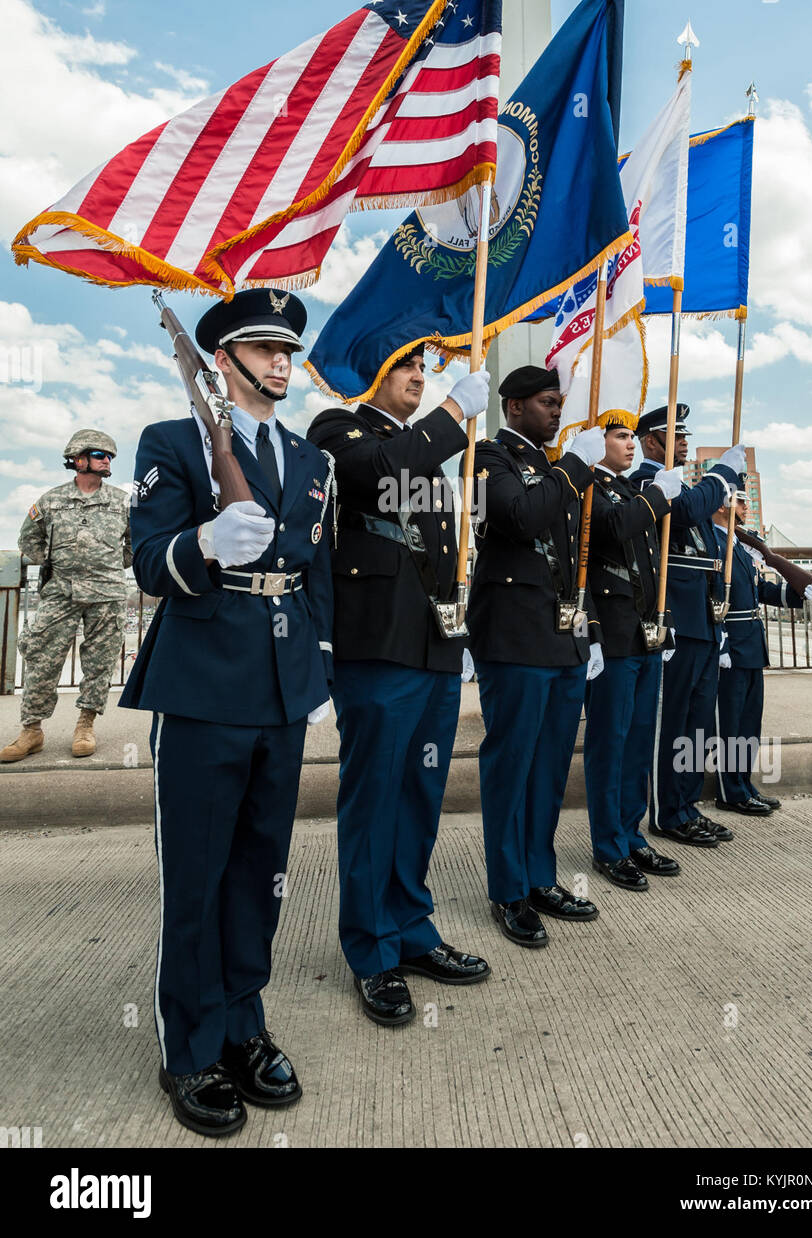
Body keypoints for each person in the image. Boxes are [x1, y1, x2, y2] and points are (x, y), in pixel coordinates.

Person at [119, 287, 334, 1138]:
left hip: (282, 689)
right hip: (205, 683)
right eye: (261, 347)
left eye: (287, 348)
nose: (281, 361)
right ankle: (191, 1048)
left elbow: (315, 571)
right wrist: (201, 545)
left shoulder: (310, 461)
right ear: (224, 359)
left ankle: (244, 1023)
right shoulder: (174, 442)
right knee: (199, 875)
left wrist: (319, 675)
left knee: (260, 871)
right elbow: (145, 559)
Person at [307, 351, 491, 1027]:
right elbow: (380, 474)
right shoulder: (340, 429)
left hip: (434, 646)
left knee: (419, 795)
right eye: (406, 367)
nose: (420, 377)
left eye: (424, 369)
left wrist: (456, 633)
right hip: (377, 647)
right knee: (375, 800)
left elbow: (437, 546)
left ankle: (410, 928)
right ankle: (371, 949)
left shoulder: (424, 453)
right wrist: (452, 413)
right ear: (371, 375)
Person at [466, 365, 605, 947]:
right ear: (514, 406)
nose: (557, 411)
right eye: (547, 402)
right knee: (512, 766)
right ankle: (507, 888)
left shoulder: (554, 471)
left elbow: (578, 556)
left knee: (549, 769)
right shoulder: (487, 458)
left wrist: (591, 631)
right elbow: (520, 518)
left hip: (563, 638)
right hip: (516, 637)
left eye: (559, 402)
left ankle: (539, 876)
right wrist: (575, 466)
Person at [630, 406, 744, 847]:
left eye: (684, 435)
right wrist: (719, 475)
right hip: (674, 620)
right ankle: (665, 812)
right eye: (673, 435)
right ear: (650, 441)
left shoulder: (686, 488)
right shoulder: (647, 482)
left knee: (698, 726)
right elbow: (682, 514)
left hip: (702, 623)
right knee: (670, 723)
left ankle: (687, 804)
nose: (682, 442)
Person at [582, 420, 681, 890]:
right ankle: (609, 845)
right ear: (595, 444)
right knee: (611, 743)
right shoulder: (591, 490)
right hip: (615, 636)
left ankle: (631, 831)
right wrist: (658, 497)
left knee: (640, 740)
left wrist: (665, 622)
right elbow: (614, 529)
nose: (629, 445)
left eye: (629, 437)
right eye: (619, 437)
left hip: (646, 633)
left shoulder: (629, 490)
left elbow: (649, 567)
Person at [1, 431, 131, 764]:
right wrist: (57, 565)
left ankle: (85, 726)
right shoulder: (50, 500)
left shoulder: (122, 502)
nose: (107, 460)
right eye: (100, 454)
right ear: (78, 459)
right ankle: (32, 731)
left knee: (99, 664)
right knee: (41, 657)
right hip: (61, 592)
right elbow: (29, 540)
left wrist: (110, 565)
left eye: (110, 456)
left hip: (108, 594)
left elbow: (134, 545)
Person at [711, 483, 812, 815]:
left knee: (749, 724)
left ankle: (744, 784)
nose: (745, 507)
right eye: (739, 501)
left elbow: (757, 589)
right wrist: (721, 640)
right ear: (720, 505)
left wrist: (795, 592)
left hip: (752, 645)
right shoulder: (711, 542)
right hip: (731, 644)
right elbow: (708, 593)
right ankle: (730, 791)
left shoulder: (740, 545)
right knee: (729, 724)